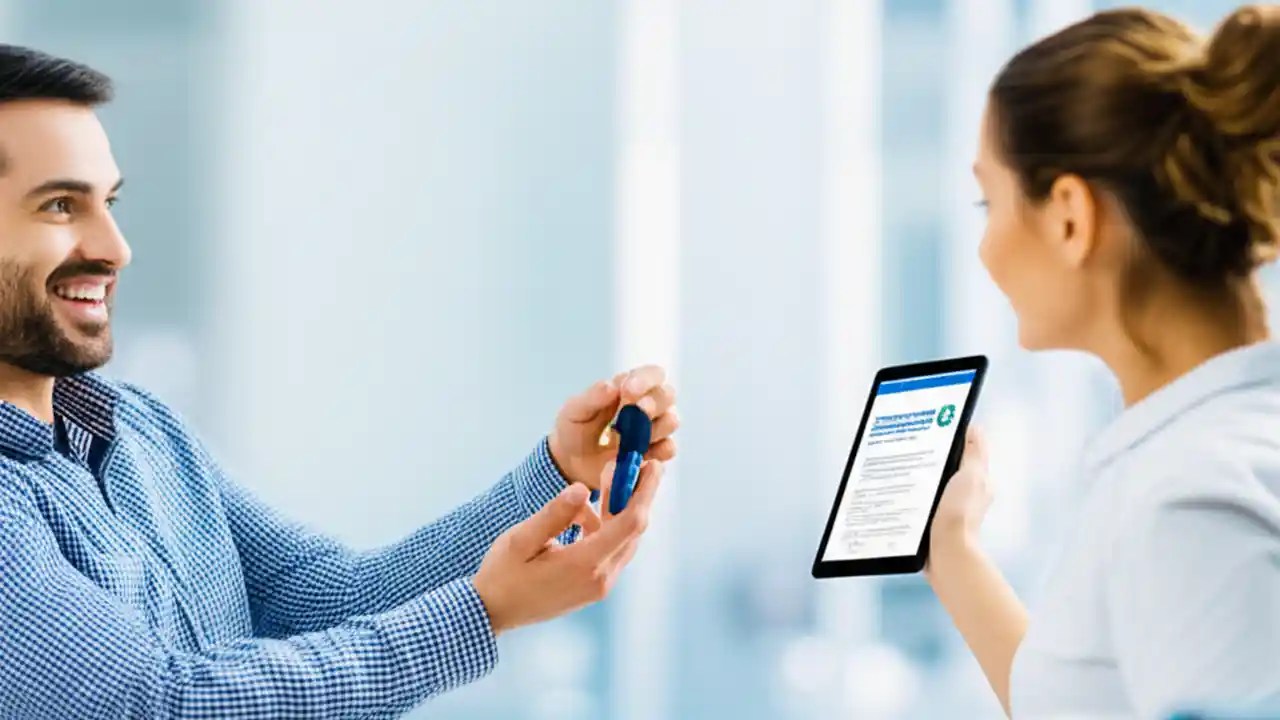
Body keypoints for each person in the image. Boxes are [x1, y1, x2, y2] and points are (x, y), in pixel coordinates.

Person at [0, 45, 679, 718]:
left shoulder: (141, 428)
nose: (115, 247)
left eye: (109, 202)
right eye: (60, 205)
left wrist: (559, 473)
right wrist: (481, 611)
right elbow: (162, 706)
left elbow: (336, 598)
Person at [926, 4, 1280, 718]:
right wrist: (951, 551)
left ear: (1069, 216)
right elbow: (1090, 700)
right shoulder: (1201, 461)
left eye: (988, 202)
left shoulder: (1189, 503)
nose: (985, 249)